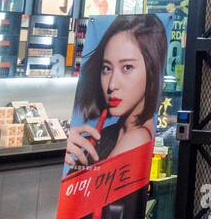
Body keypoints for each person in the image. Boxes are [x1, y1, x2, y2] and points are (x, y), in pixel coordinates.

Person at [65, 15, 167, 171]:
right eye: (107, 68)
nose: (112, 85)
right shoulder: (114, 133)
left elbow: (90, 194)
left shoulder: (137, 137)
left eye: (127, 67)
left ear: (151, 70)